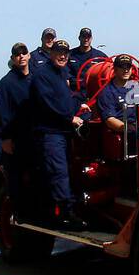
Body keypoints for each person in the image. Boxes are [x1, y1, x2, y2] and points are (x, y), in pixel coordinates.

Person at [28, 39, 91, 231]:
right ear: (51, 54)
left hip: (63, 131)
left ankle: (78, 206)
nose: (63, 56)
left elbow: (65, 99)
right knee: (59, 172)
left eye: (65, 53)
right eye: (58, 52)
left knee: (72, 170)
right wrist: (70, 117)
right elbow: (49, 104)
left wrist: (79, 105)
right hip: (50, 133)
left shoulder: (61, 73)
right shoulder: (42, 76)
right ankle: (65, 214)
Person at [0, 42, 33, 205]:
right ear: (13, 59)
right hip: (17, 140)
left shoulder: (38, 79)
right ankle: (17, 214)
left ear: (29, 55)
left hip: (37, 137)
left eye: (24, 52)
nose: (21, 56)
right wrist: (6, 139)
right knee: (17, 179)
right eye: (17, 54)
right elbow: (1, 113)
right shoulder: (6, 84)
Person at [96, 55, 135, 132]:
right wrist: (130, 129)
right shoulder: (106, 92)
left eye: (128, 67)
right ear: (115, 69)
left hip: (137, 126)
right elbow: (110, 120)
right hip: (122, 131)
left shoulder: (133, 88)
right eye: (122, 67)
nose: (126, 70)